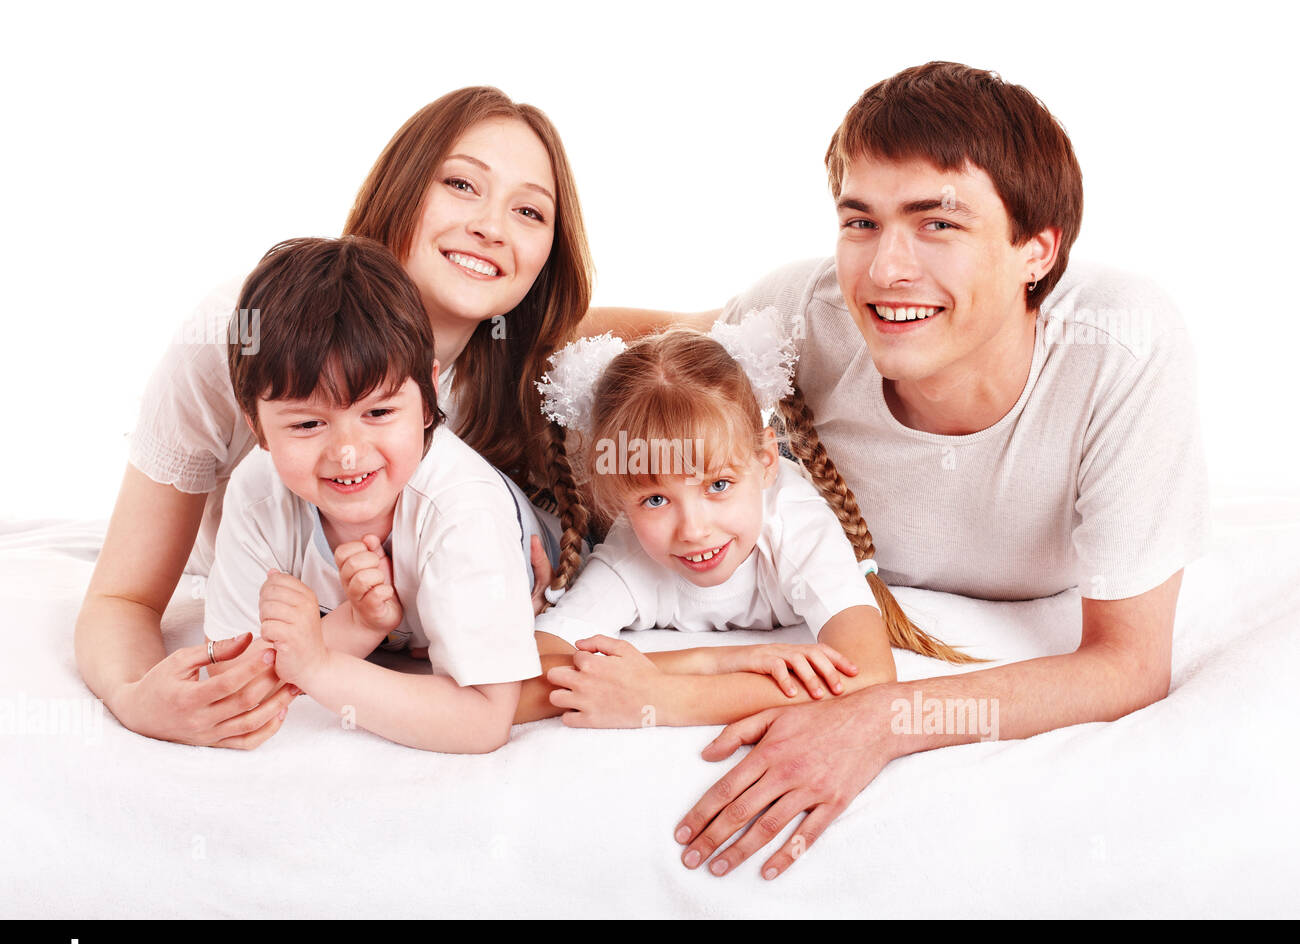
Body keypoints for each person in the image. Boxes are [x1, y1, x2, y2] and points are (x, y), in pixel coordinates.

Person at [588, 62, 1208, 878]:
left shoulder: (1121, 349)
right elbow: (660, 339)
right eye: (861, 222)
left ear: (1037, 249)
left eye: (936, 224)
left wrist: (880, 719)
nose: (884, 270)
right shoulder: (803, 315)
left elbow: (1128, 664)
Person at [76, 87, 593, 748]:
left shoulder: (518, 376)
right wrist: (134, 696)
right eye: (463, 184)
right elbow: (123, 597)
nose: (491, 226)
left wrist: (528, 588)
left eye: (528, 210)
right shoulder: (245, 335)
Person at [516, 311, 980, 727]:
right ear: (618, 495)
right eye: (656, 500)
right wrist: (711, 662)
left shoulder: (793, 520)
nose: (694, 530)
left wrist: (666, 698)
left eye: (718, 486)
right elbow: (523, 684)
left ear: (764, 461)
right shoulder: (629, 555)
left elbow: (869, 671)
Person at [206, 235, 541, 752]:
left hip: (538, 546)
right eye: (309, 423)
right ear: (256, 425)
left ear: (427, 399)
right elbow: (233, 678)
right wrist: (358, 625)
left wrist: (319, 663)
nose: (347, 453)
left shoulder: (462, 508)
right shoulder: (257, 493)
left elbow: (483, 719)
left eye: (378, 413)